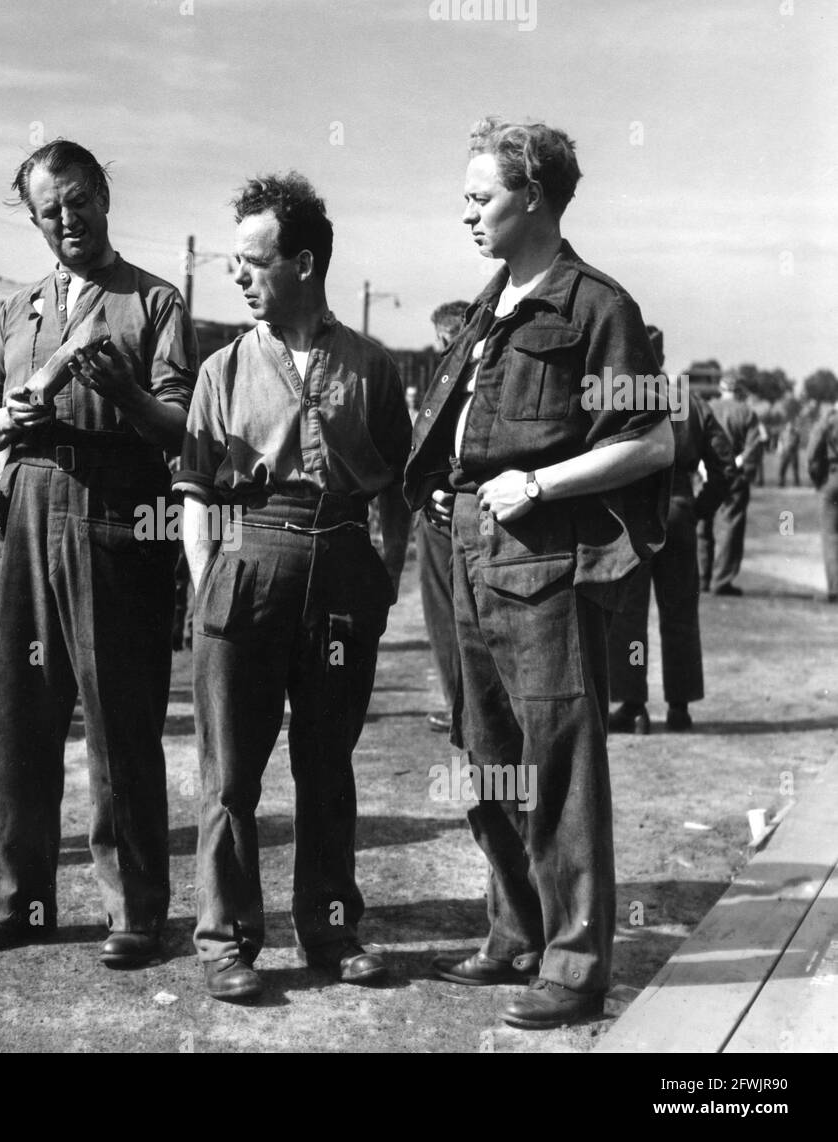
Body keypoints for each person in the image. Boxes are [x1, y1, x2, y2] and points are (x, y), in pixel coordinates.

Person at [404, 117, 674, 1029]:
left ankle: (575, 962)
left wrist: (540, 481)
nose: (466, 211)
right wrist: (447, 492)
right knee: (487, 755)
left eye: (480, 196)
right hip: (465, 547)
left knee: (557, 758)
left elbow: (652, 440)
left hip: (544, 555)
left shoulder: (597, 306)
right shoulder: (490, 306)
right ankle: (515, 930)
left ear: (535, 196)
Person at [0, 140, 196, 968]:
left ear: (104, 195)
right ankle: (18, 902)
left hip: (117, 513)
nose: (67, 218)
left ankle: (137, 911)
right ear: (33, 219)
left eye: (79, 198)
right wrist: (6, 420)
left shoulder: (153, 302)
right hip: (24, 505)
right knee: (19, 712)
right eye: (48, 208)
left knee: (121, 715)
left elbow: (181, 424)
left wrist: (124, 396)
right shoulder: (18, 309)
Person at [177, 173, 410, 1002]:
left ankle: (331, 926)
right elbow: (197, 493)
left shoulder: (374, 369)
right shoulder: (221, 370)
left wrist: (381, 582)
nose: (237, 275)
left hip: (343, 569)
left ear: (304, 263)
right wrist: (210, 582)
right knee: (231, 771)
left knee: (328, 764)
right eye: (233, 261)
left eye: (254, 260)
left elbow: (393, 493)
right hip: (249, 567)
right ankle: (226, 939)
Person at [606, 326, 737, 734]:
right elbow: (725, 466)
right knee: (680, 613)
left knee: (629, 616)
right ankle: (680, 708)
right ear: (661, 356)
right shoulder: (690, 402)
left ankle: (633, 706)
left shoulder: (619, 400)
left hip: (633, 515)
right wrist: (700, 509)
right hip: (679, 511)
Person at [416, 300, 469, 734]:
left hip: (441, 509)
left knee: (444, 613)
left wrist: (435, 488)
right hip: (476, 507)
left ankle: (459, 709)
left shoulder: (451, 376)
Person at [698, 371, 764, 596]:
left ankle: (701, 577)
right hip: (733, 474)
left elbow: (694, 436)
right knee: (730, 526)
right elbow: (754, 445)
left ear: (721, 388)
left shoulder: (706, 407)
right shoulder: (747, 412)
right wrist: (737, 461)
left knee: (702, 525)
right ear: (739, 390)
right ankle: (721, 580)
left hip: (706, 470)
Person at [806, 404, 838, 603]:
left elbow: (812, 453)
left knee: (831, 536)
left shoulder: (828, 422)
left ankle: (835, 588)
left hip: (832, 478)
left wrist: (818, 478)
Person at [776, 419, 800, 487]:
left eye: (791, 425)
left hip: (793, 453)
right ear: (786, 426)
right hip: (785, 453)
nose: (790, 427)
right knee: (782, 469)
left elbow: (797, 443)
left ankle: (796, 483)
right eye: (788, 426)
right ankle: (781, 482)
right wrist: (779, 450)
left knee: (795, 469)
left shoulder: (796, 434)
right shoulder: (783, 433)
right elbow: (780, 442)